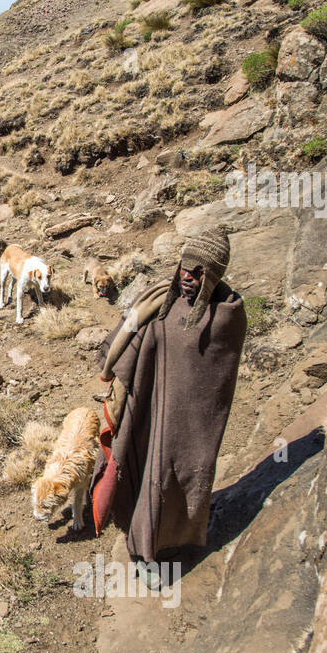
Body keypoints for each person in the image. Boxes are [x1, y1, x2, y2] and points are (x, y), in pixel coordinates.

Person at [90, 228, 247, 590]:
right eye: (184, 270)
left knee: (173, 476)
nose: (187, 278)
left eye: (198, 273)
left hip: (188, 422)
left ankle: (158, 544)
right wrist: (121, 375)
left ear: (214, 275)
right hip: (144, 404)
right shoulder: (162, 299)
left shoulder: (226, 317)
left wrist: (194, 417)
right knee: (139, 466)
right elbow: (133, 330)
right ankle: (143, 549)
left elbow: (216, 378)